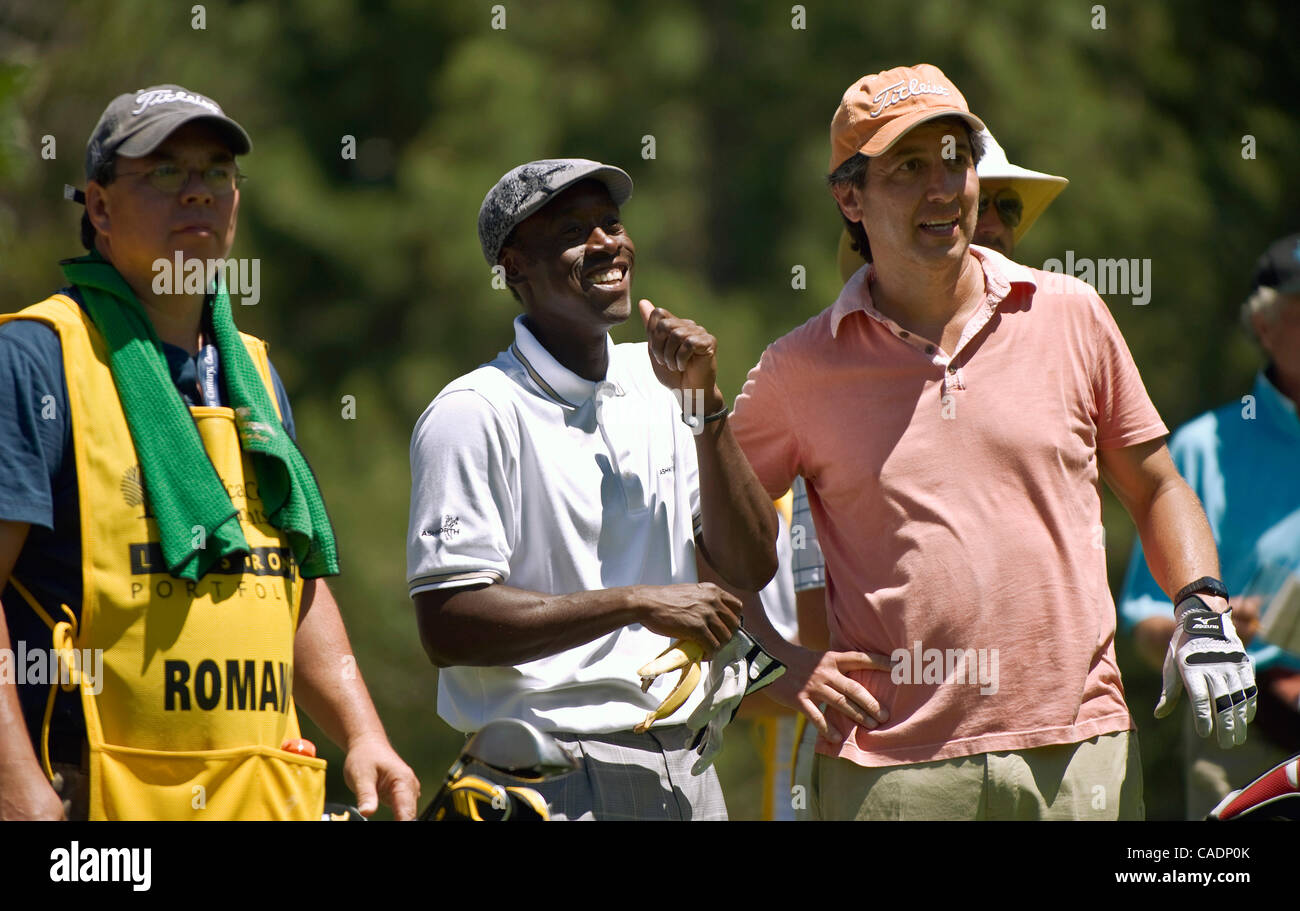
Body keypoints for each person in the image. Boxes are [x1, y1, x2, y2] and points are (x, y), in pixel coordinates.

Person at [719, 63, 1255, 820]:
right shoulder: (797, 371)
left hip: (1080, 753)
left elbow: (1157, 485)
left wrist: (1202, 608)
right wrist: (774, 665)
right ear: (850, 196)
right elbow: (704, 536)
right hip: (891, 768)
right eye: (909, 167)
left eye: (956, 160)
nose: (945, 187)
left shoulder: (1072, 313)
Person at [0, 85, 418, 820]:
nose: (198, 193)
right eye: (165, 172)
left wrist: (362, 730)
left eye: (217, 172)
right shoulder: (34, 359)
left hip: (258, 799)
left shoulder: (253, 371)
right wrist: (15, 785)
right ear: (98, 207)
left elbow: (285, 574)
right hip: (93, 805)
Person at [405, 159, 777, 820]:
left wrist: (706, 407)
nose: (609, 243)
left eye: (612, 222)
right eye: (575, 231)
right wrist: (635, 602)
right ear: (514, 267)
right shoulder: (473, 411)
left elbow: (752, 561)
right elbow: (449, 624)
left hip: (687, 771)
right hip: (548, 776)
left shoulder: (663, 380)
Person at [805, 127, 1070, 649]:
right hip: (877, 717)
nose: (986, 220)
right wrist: (792, 675)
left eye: (1007, 206)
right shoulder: (823, 375)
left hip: (1063, 715)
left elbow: (1151, 489)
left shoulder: (1067, 328)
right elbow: (814, 618)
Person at [1119, 233, 1300, 819]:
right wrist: (1209, 626)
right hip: (1247, 731)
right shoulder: (1203, 448)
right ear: (1263, 327)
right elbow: (1145, 619)